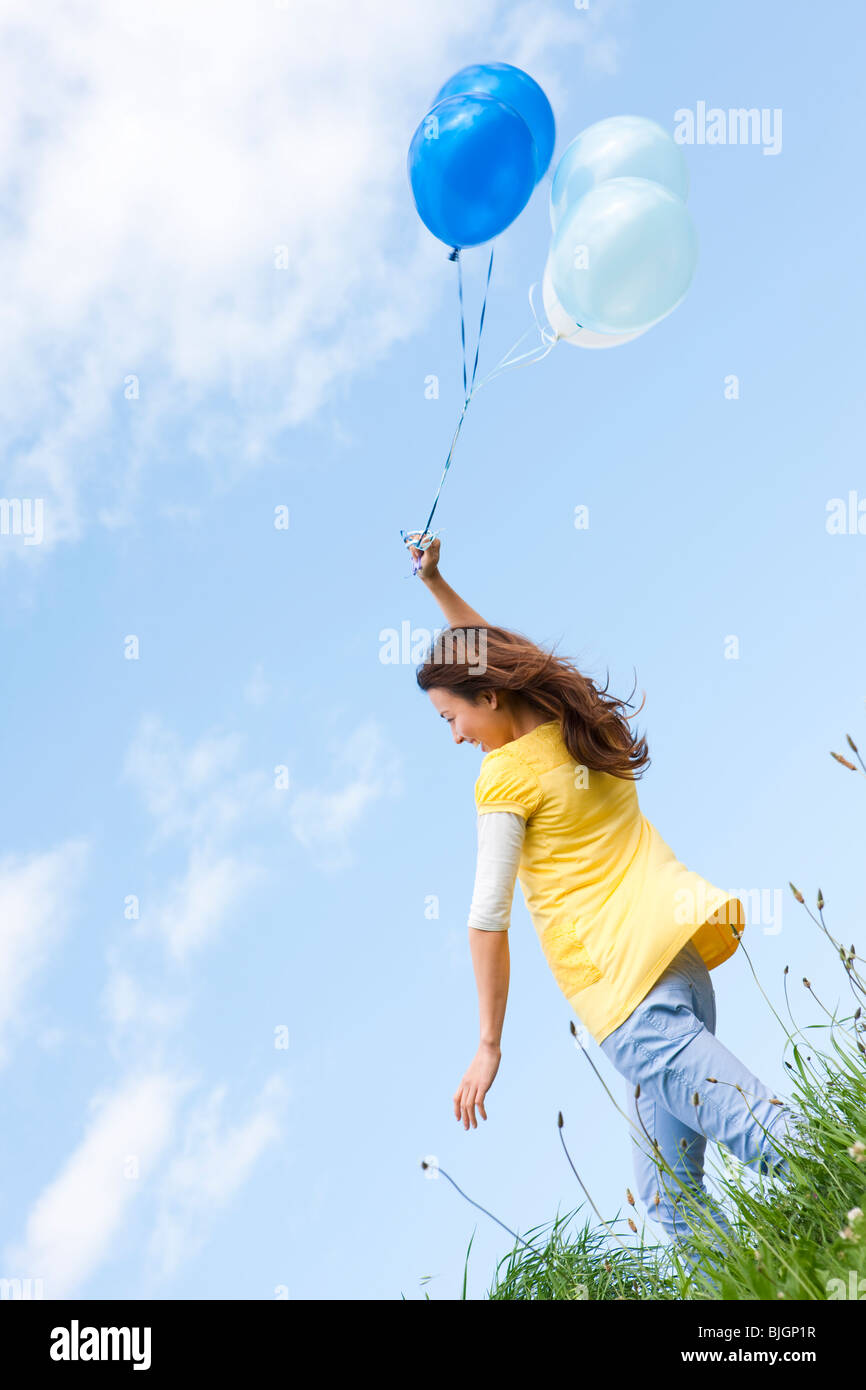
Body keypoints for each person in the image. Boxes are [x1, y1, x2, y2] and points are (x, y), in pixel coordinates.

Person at [409, 536, 804, 1276]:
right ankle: (769, 1301)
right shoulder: (573, 715)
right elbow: (501, 651)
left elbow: (487, 919)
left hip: (629, 1002)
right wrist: (437, 584)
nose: (454, 734)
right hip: (680, 967)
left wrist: (489, 1043)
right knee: (669, 1200)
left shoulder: (501, 781)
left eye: (449, 718)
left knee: (770, 1135)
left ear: (488, 698)